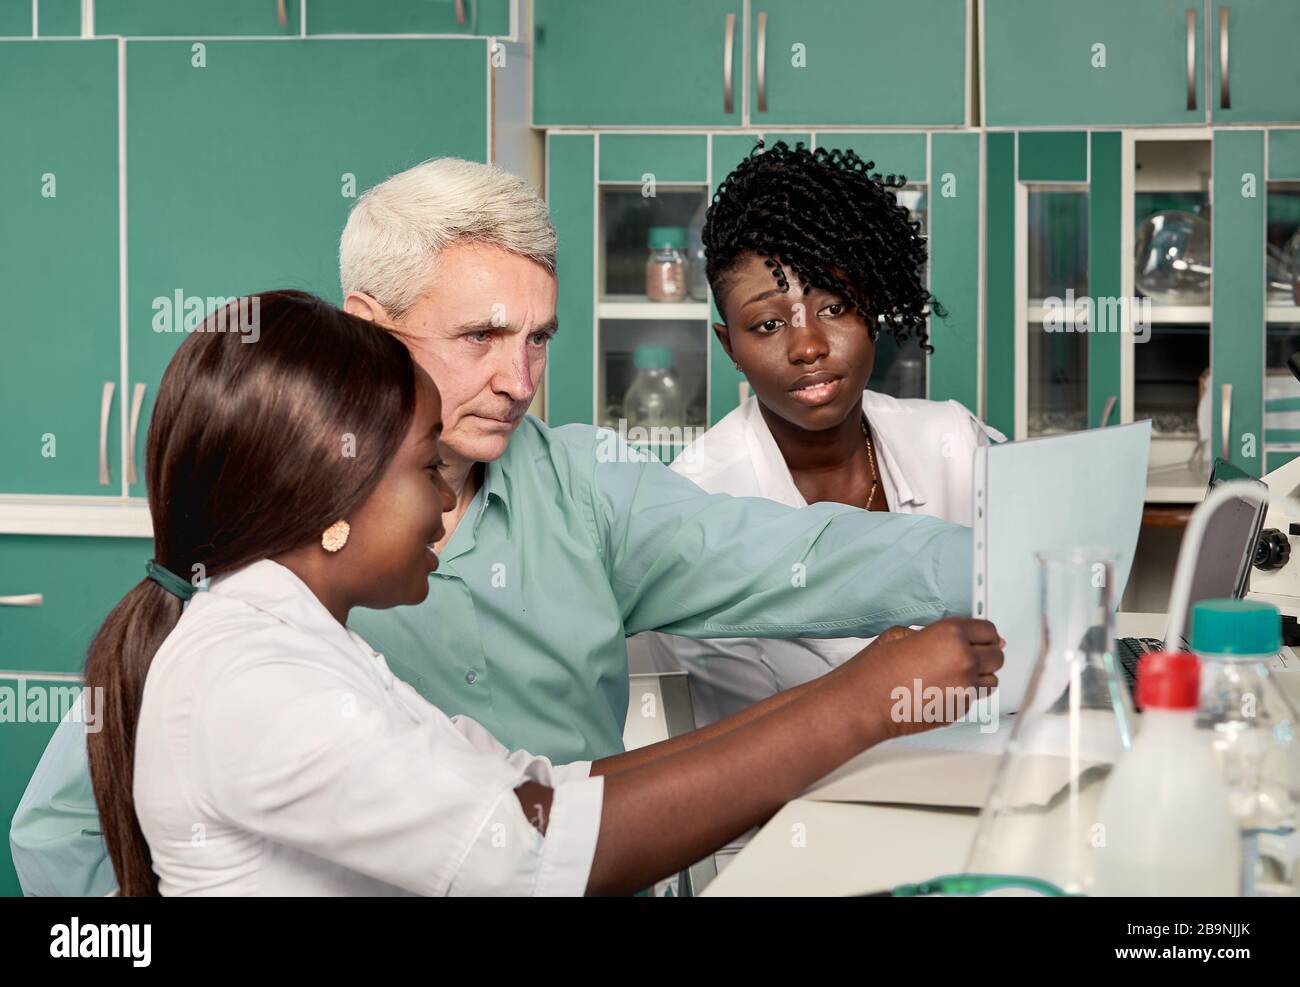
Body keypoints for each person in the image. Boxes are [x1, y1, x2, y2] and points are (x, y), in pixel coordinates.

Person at [12, 158, 975, 896]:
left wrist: (1002, 567)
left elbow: (796, 561)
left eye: (539, 339)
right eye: (480, 337)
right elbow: (61, 836)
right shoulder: (261, 600)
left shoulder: (580, 491)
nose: (520, 382)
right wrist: (864, 701)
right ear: (368, 329)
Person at [643, 142, 1005, 725]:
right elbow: (749, 738)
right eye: (767, 324)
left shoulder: (955, 443)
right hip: (803, 807)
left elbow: (1048, 600)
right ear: (729, 345)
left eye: (834, 308)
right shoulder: (698, 507)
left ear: (872, 308)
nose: (808, 346)